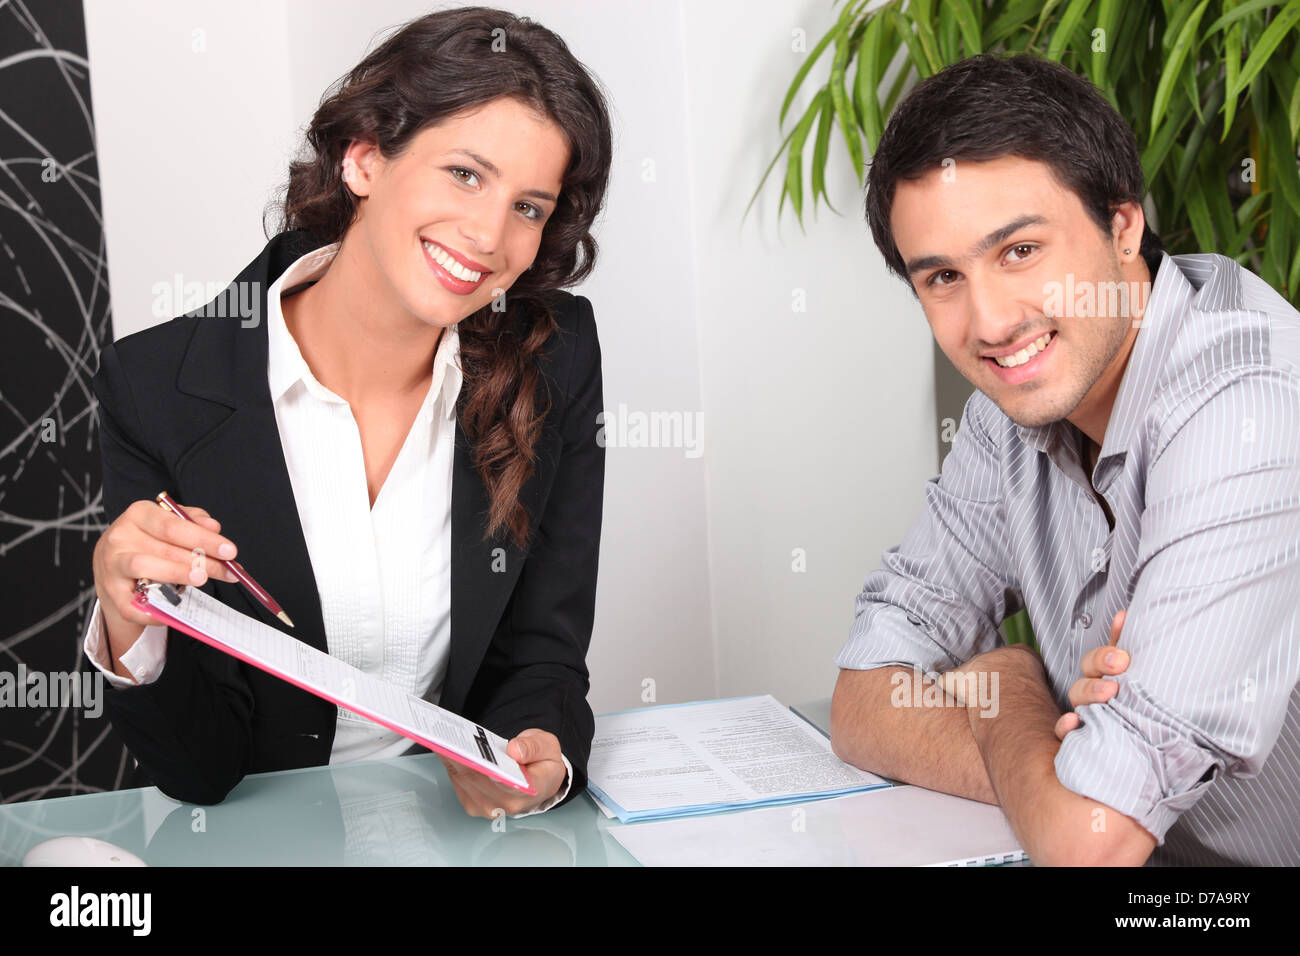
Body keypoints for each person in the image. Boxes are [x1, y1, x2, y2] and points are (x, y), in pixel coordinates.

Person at [85, 6, 612, 818]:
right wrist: (129, 618)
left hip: (458, 834)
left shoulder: (556, 357)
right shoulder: (155, 386)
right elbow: (199, 770)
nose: (487, 235)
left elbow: (542, 659)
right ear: (363, 158)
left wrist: (536, 751)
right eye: (465, 174)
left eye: (530, 208)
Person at [831, 54, 1300, 865]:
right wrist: (1062, 760)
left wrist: (1006, 684)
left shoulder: (1253, 404)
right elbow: (864, 698)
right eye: (943, 277)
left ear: (1123, 227)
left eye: (1018, 252)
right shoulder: (1006, 414)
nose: (990, 323)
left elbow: (1091, 843)